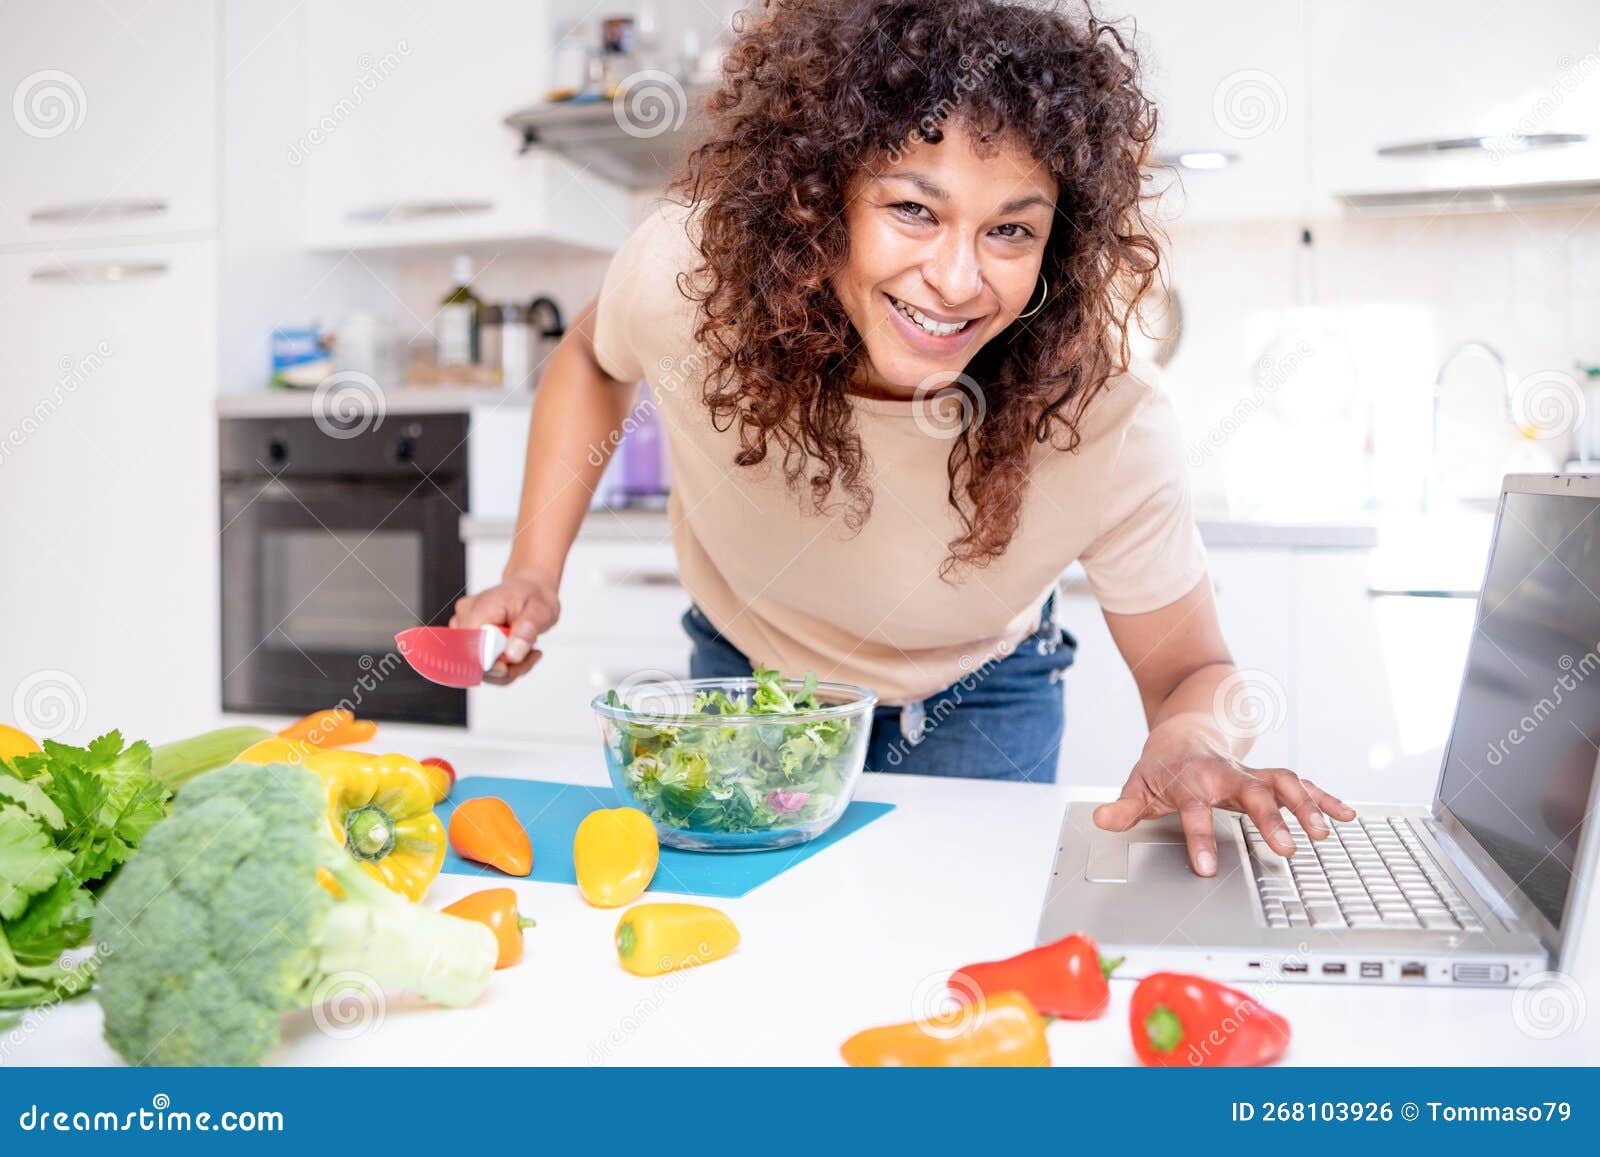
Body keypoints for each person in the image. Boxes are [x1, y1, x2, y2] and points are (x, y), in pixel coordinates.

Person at [450, 0, 1354, 874]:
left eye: (1010, 230)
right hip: (750, 675)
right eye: (913, 210)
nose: (957, 279)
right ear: (819, 196)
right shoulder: (690, 278)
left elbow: (1193, 670)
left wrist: (1192, 742)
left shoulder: (1105, 415)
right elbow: (590, 360)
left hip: (975, 701)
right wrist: (533, 571)